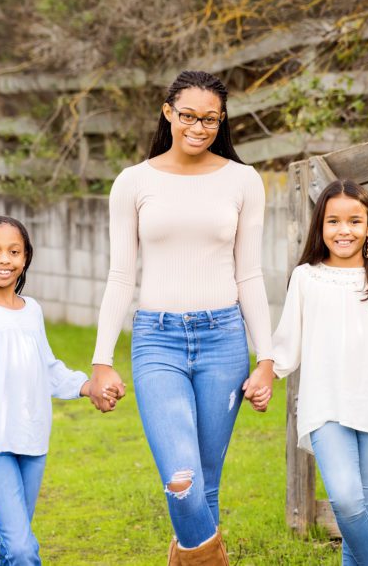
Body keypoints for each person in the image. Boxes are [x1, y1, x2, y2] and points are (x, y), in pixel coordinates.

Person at [88, 70, 274, 564]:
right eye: (188, 115)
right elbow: (121, 277)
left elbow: (250, 275)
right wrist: (101, 359)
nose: (198, 126)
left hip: (224, 340)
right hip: (157, 340)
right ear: (168, 112)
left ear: (222, 119)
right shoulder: (133, 182)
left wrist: (267, 358)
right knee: (182, 481)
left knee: (206, 486)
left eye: (210, 118)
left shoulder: (243, 181)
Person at [0, 215, 115, 565]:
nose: (4, 260)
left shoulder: (31, 310)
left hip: (33, 441)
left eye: (13, 252)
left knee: (9, 546)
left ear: (25, 259)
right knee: (23, 549)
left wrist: (88, 386)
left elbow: (47, 369)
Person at [272, 179, 368, 566]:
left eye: (355, 221)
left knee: (363, 508)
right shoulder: (306, 278)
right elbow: (286, 345)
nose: (344, 230)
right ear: (320, 226)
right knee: (347, 499)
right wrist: (262, 375)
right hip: (326, 408)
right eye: (334, 221)